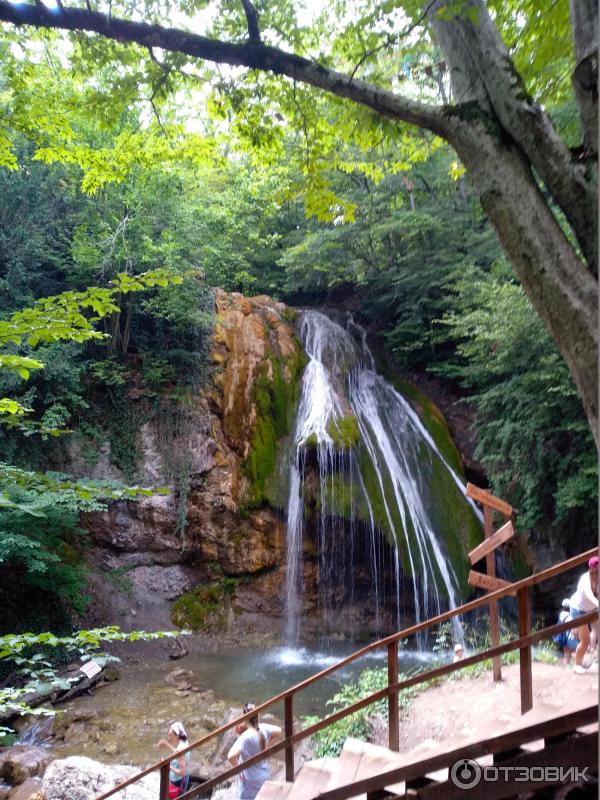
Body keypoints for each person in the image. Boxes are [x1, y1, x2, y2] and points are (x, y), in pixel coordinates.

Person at [228, 702, 282, 799]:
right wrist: (267, 745)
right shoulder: (263, 728)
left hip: (250, 779)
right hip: (264, 774)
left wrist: (239, 769)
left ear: (244, 717)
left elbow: (231, 756)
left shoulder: (245, 737)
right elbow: (279, 731)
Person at [569, 556, 599, 675]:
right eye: (594, 571)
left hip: (592, 609)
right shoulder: (584, 580)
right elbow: (590, 595)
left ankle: (592, 654)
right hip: (578, 610)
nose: (595, 573)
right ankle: (577, 665)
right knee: (585, 640)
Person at [157, 721, 190, 798]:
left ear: (177, 736)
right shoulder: (185, 742)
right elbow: (179, 755)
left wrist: (166, 765)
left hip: (178, 782)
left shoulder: (180, 750)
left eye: (170, 735)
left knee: (162, 795)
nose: (168, 737)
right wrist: (167, 744)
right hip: (184, 778)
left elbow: (182, 772)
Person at [552, 599, 578, 666]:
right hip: (569, 637)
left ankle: (566, 666)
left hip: (563, 636)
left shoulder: (561, 614)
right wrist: (578, 638)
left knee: (566, 652)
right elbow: (573, 630)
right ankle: (578, 664)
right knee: (577, 650)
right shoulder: (570, 617)